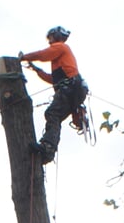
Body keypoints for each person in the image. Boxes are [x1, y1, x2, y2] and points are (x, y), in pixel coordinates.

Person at [18, 26, 89, 163]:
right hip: (73, 89)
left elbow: (42, 55)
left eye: (50, 37)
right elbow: (53, 80)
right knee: (54, 116)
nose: (49, 41)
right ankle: (48, 149)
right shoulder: (59, 57)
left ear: (56, 36)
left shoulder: (61, 47)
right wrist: (37, 70)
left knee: (52, 114)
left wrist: (24, 57)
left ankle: (48, 148)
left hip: (71, 88)